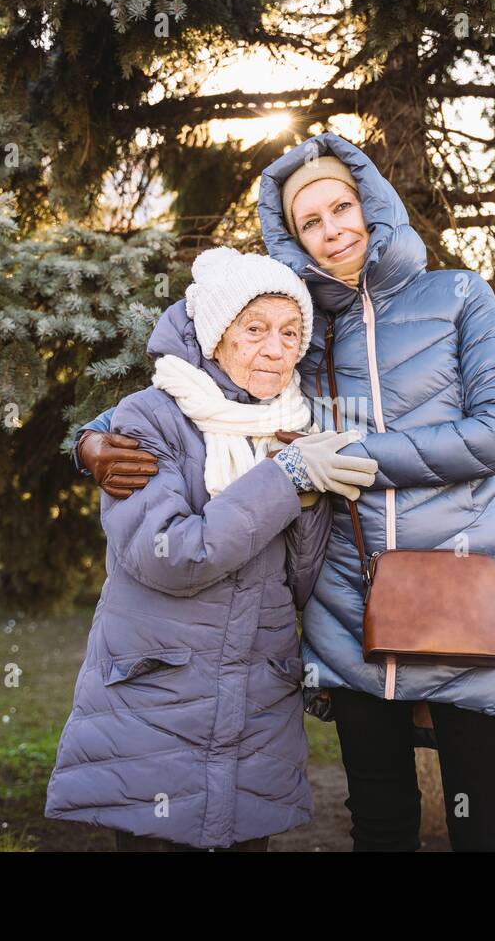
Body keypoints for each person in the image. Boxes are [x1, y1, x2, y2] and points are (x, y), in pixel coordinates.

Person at [74, 133, 495, 851]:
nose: (333, 231)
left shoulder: (458, 296)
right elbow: (204, 385)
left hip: (462, 595)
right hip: (350, 609)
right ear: (293, 240)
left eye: (341, 207)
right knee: (380, 827)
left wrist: (345, 456)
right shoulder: (306, 327)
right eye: (309, 223)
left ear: (372, 203)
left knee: (486, 829)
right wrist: (89, 438)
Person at [45, 246, 378, 851]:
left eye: (290, 332)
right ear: (215, 335)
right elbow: (172, 555)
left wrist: (300, 483)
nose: (276, 349)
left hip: (256, 705)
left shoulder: (294, 424)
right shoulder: (150, 419)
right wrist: (287, 479)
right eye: (254, 330)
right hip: (160, 701)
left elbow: (298, 578)